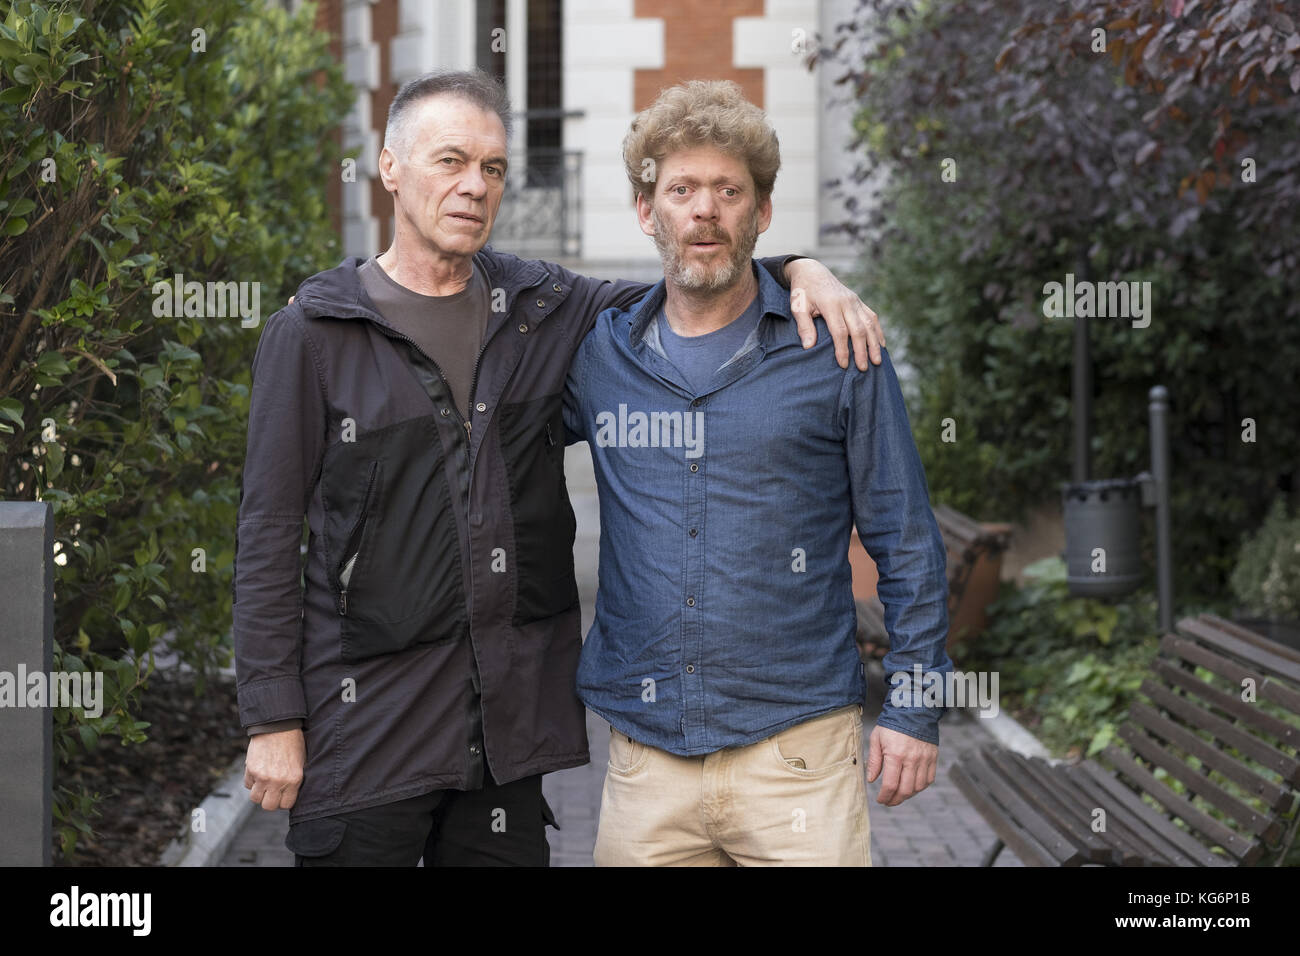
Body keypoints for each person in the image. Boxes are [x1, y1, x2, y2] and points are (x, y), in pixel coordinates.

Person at [233, 68, 888, 866]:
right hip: (366, 732)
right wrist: (272, 718)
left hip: (502, 747)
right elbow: (267, 534)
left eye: (495, 168)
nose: (476, 186)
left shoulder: (543, 310)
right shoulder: (315, 335)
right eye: (451, 161)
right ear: (391, 167)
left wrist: (797, 270)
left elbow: (695, 279)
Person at [563, 79, 952, 866]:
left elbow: (905, 539)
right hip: (646, 766)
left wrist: (912, 707)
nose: (705, 210)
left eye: (728, 191)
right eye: (682, 189)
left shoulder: (838, 352)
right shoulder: (598, 358)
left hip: (799, 757)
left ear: (761, 212)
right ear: (648, 212)